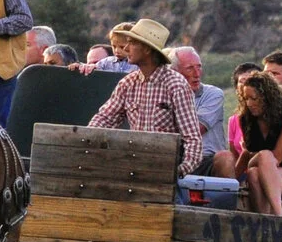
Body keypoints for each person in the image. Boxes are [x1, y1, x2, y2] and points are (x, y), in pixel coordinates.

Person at [85, 20, 204, 173]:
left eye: (132, 43)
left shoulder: (176, 85)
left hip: (164, 167)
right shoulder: (128, 83)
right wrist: (85, 140)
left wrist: (180, 170)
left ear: (147, 49)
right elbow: (105, 119)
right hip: (133, 165)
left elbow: (192, 138)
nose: (126, 48)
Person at [233, 69, 282, 217]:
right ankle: (266, 219)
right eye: (246, 98)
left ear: (267, 97)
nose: (249, 103)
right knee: (254, 173)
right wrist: (231, 181)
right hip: (262, 170)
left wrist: (255, 159)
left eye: (254, 98)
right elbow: (247, 152)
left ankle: (278, 213)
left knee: (265, 156)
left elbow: (276, 159)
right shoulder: (246, 119)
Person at [169, 46, 225, 153]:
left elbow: (194, 130)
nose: (197, 74)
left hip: (207, 158)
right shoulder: (166, 95)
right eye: (189, 68)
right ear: (174, 72)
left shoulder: (213, 94)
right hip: (175, 158)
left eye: (199, 67)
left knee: (225, 158)